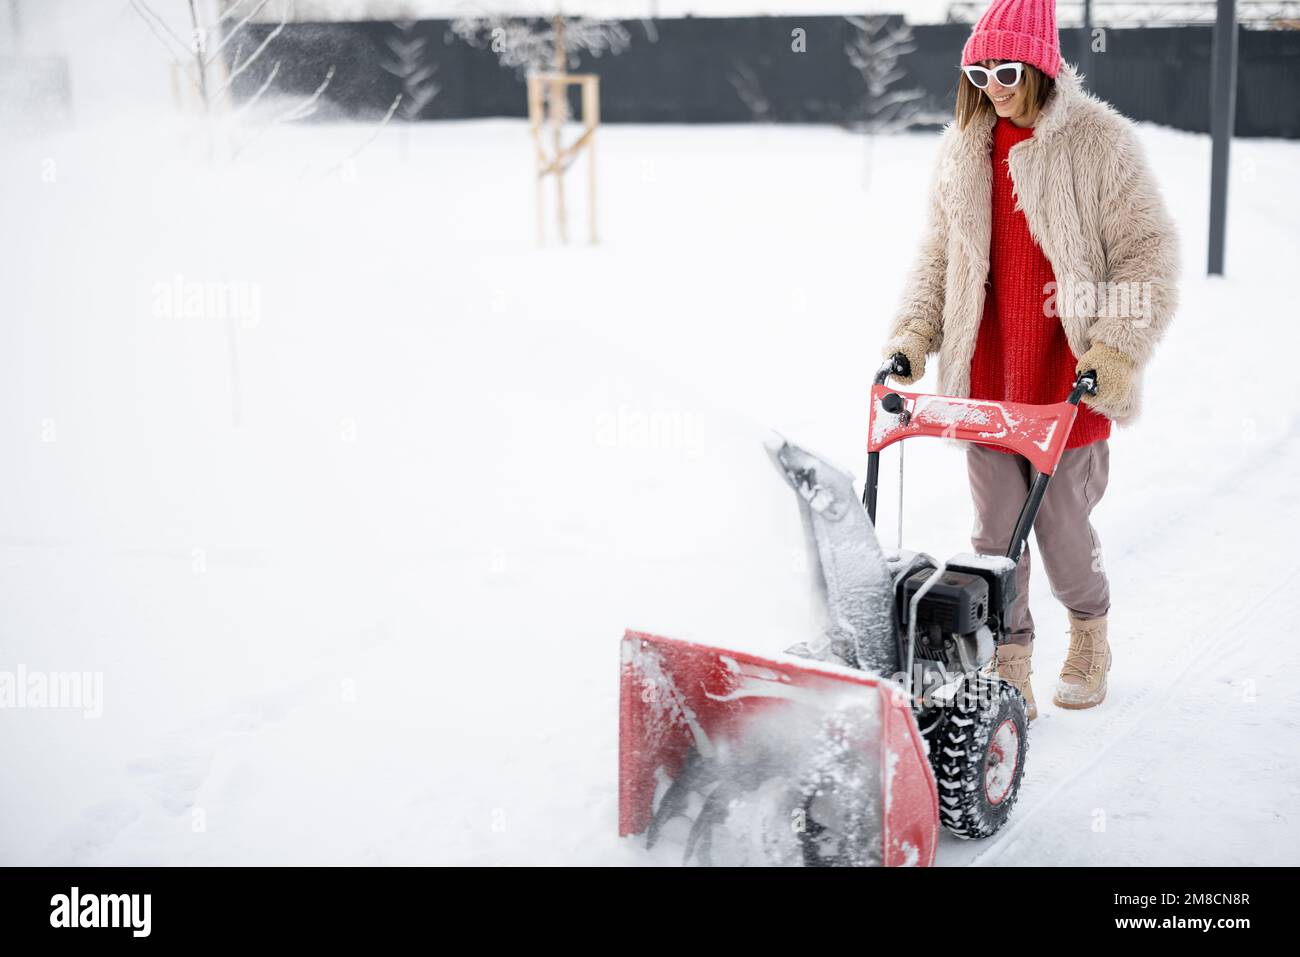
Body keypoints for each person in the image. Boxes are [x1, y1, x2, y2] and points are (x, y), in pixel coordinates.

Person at [880, 0, 1180, 719]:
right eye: (977, 70)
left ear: (1042, 66)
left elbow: (1149, 252)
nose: (993, 85)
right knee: (994, 534)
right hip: (987, 377)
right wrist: (914, 333)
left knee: (1060, 531)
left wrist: (1115, 347)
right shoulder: (964, 148)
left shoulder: (1098, 143)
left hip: (1065, 379)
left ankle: (1089, 632)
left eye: (1007, 69)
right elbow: (940, 255)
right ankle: (1010, 657)